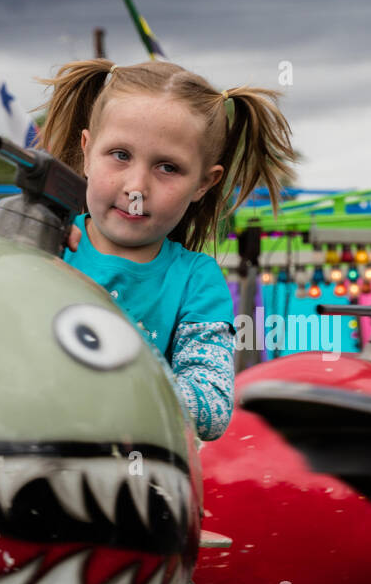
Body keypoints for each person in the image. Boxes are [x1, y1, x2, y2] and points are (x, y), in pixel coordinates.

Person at [36, 59, 298, 442]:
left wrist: (112, 376)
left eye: (168, 168)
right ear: (87, 152)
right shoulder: (45, 246)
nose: (137, 186)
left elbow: (211, 405)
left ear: (204, 184)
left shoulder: (196, 280)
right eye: (120, 155)